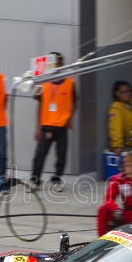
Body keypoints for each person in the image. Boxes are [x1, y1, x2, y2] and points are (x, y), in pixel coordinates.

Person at [30, 52, 77, 192]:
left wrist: (70, 118)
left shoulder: (70, 83)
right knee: (40, 154)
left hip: (62, 125)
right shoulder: (44, 82)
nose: (57, 66)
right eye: (54, 63)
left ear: (62, 65)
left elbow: (75, 102)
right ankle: (35, 180)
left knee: (61, 155)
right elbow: (39, 102)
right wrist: (38, 127)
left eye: (59, 63)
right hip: (46, 125)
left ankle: (57, 179)